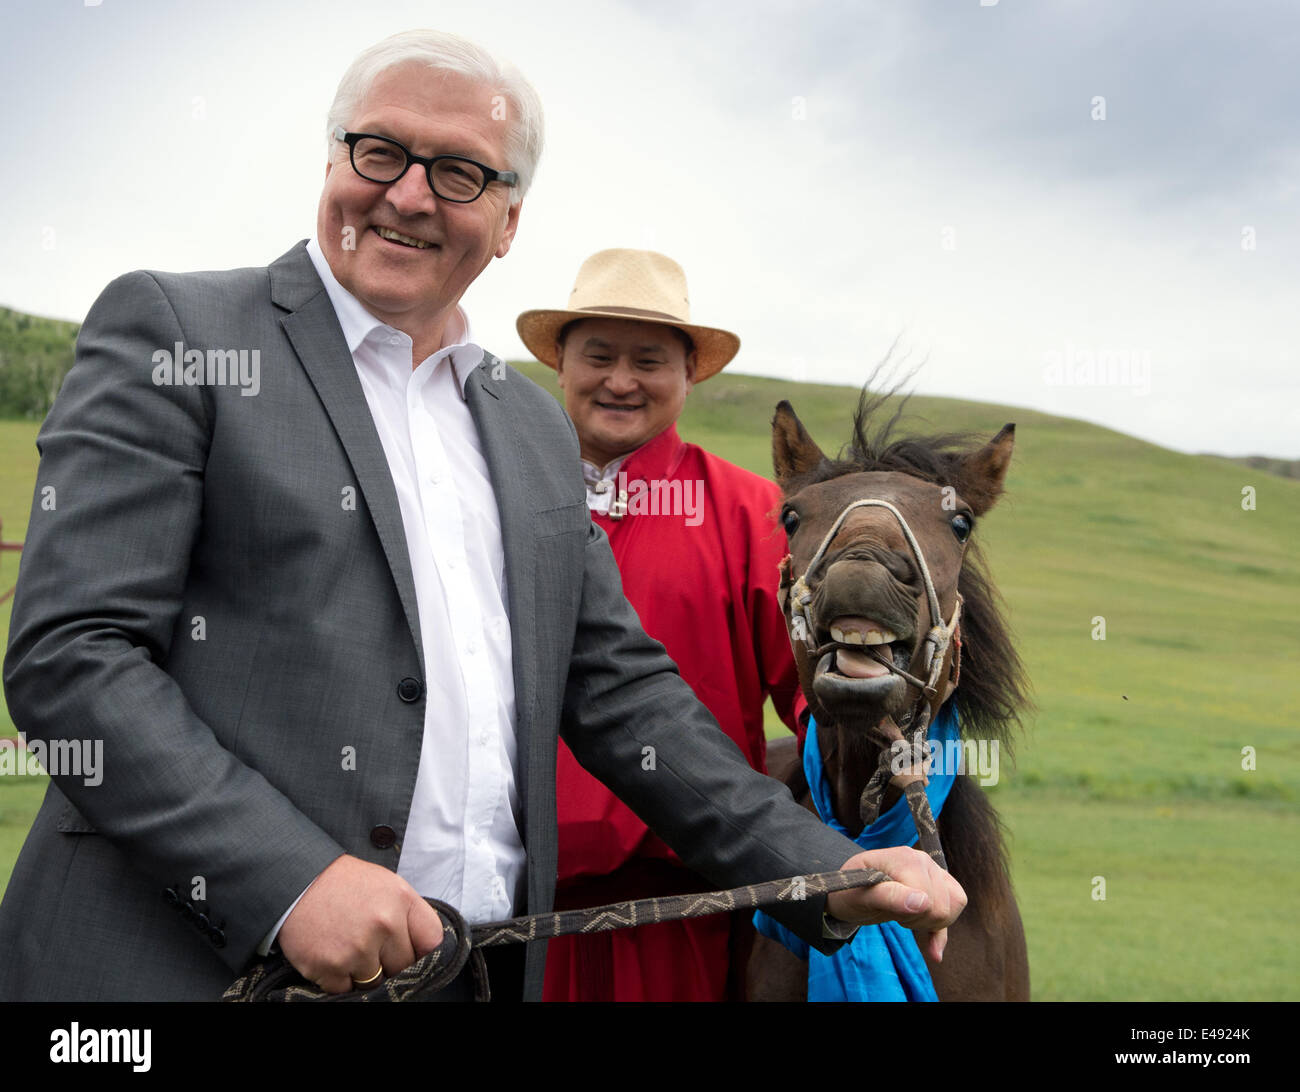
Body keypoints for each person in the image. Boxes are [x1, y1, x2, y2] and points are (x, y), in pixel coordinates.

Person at [0, 29, 963, 1002]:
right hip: (176, 977)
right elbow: (74, 652)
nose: (409, 194)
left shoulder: (527, 430)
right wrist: (287, 882)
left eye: (459, 171)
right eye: (378, 150)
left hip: (476, 976)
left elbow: (620, 694)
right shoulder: (178, 333)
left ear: (507, 220)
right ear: (332, 159)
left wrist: (820, 867)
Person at [517, 249, 807, 1001]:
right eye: (599, 356)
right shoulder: (496, 498)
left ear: (689, 375)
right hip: (501, 910)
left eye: (648, 359)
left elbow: (816, 701)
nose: (620, 380)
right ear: (560, 365)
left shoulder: (752, 516)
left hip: (685, 913)